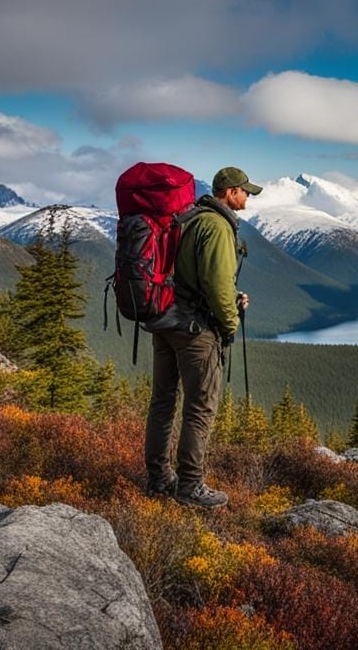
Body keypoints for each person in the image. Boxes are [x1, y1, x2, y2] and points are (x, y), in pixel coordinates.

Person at [144, 166, 262, 508]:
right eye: (244, 191)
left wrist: (227, 297)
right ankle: (190, 486)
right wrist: (229, 324)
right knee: (200, 407)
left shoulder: (189, 218)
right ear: (229, 192)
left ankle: (158, 478)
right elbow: (217, 284)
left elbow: (193, 276)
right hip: (194, 330)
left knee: (163, 402)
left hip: (165, 320)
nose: (247, 197)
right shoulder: (216, 225)